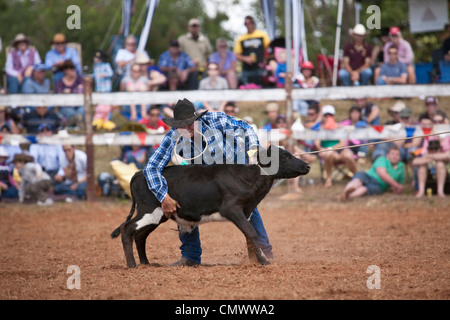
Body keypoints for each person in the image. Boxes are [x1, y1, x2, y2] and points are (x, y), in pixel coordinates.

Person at [142, 98, 273, 266]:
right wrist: (163, 196)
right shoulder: (173, 137)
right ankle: (190, 256)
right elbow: (151, 167)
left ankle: (264, 251)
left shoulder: (216, 119)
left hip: (231, 173)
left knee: (248, 207)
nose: (187, 128)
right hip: (202, 180)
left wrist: (253, 154)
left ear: (197, 119)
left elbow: (246, 129)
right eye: (182, 126)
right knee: (184, 202)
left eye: (190, 123)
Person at [340, 145, 405, 201]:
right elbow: (382, 174)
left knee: (363, 190)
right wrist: (396, 186)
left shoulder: (400, 166)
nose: (395, 156)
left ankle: (347, 195)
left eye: (397, 154)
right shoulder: (382, 159)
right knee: (357, 181)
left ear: (400, 157)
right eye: (393, 154)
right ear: (387, 155)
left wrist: (399, 189)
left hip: (379, 185)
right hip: (367, 176)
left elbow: (401, 183)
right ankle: (347, 192)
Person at [314, 105, 357, 188]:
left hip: (340, 151)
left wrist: (331, 148)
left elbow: (342, 143)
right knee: (328, 154)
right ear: (322, 116)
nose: (328, 117)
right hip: (328, 154)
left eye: (330, 115)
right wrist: (323, 150)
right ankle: (329, 178)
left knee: (347, 155)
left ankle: (356, 177)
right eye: (325, 115)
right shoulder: (319, 129)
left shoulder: (339, 127)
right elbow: (317, 144)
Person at [234, 15, 271, 86]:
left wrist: (265, 59)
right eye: (246, 23)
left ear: (253, 23)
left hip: (261, 68)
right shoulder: (241, 38)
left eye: (250, 22)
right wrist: (245, 59)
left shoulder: (262, 35)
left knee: (263, 87)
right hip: (247, 70)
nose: (248, 25)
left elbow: (269, 49)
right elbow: (236, 55)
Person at [178, 18, 213, 89]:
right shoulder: (182, 39)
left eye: (196, 26)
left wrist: (207, 63)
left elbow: (209, 54)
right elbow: (179, 55)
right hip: (187, 69)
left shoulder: (205, 40)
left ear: (199, 27)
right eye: (192, 26)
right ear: (189, 27)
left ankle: (200, 99)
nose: (194, 28)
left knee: (201, 84)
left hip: (201, 69)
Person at [54, 60, 85, 128]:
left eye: (74, 68)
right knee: (71, 113)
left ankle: (77, 126)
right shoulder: (60, 83)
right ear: (65, 70)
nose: (73, 70)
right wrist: (64, 93)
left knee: (82, 110)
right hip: (66, 107)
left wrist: (70, 91)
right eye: (71, 68)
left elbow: (83, 91)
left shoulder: (80, 80)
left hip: (79, 105)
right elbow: (57, 98)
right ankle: (75, 126)